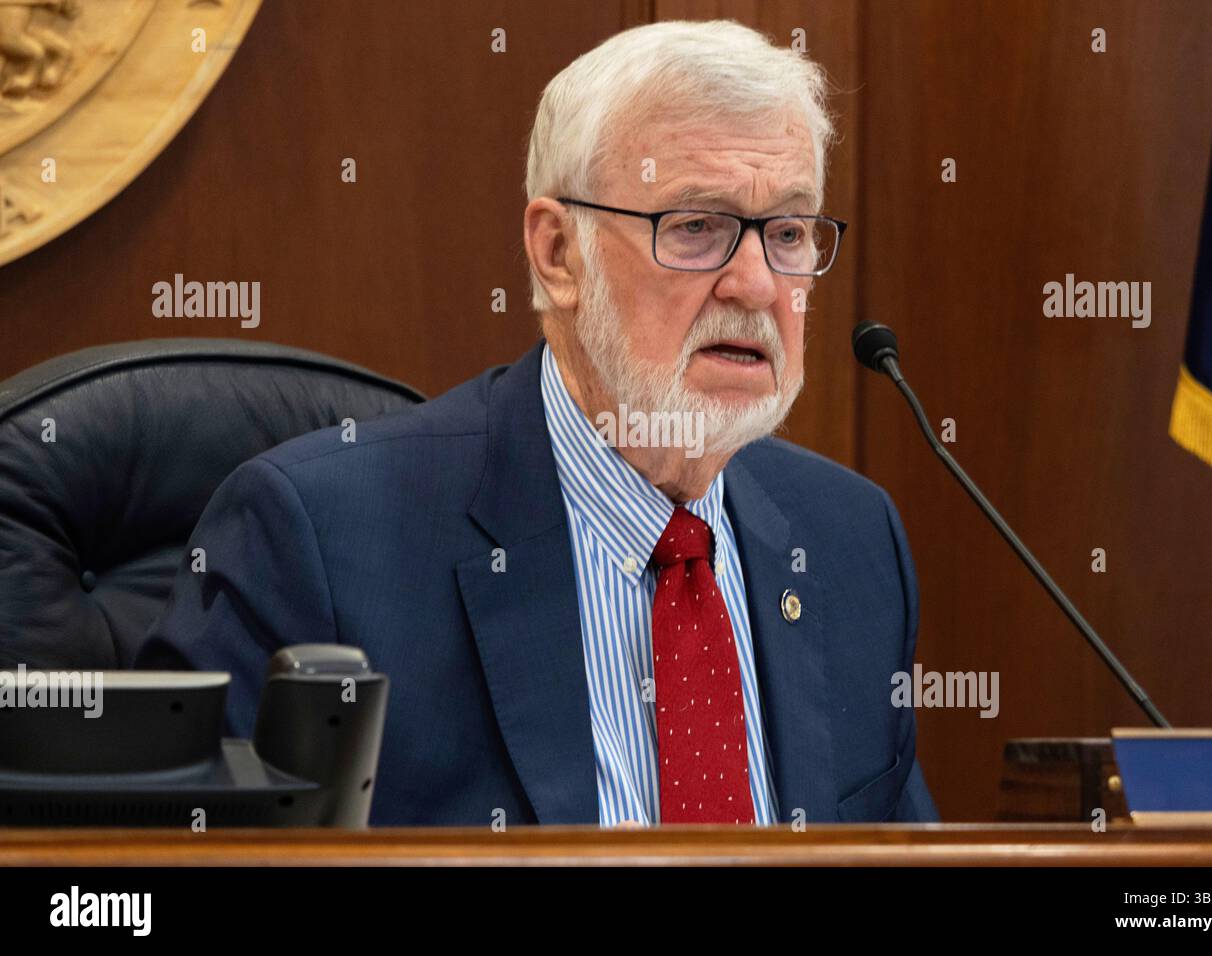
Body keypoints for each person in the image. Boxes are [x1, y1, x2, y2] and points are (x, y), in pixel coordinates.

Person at [139, 19, 939, 827]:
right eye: (697, 227)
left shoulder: (849, 540)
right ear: (559, 253)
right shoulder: (320, 542)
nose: (759, 284)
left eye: (790, 233)